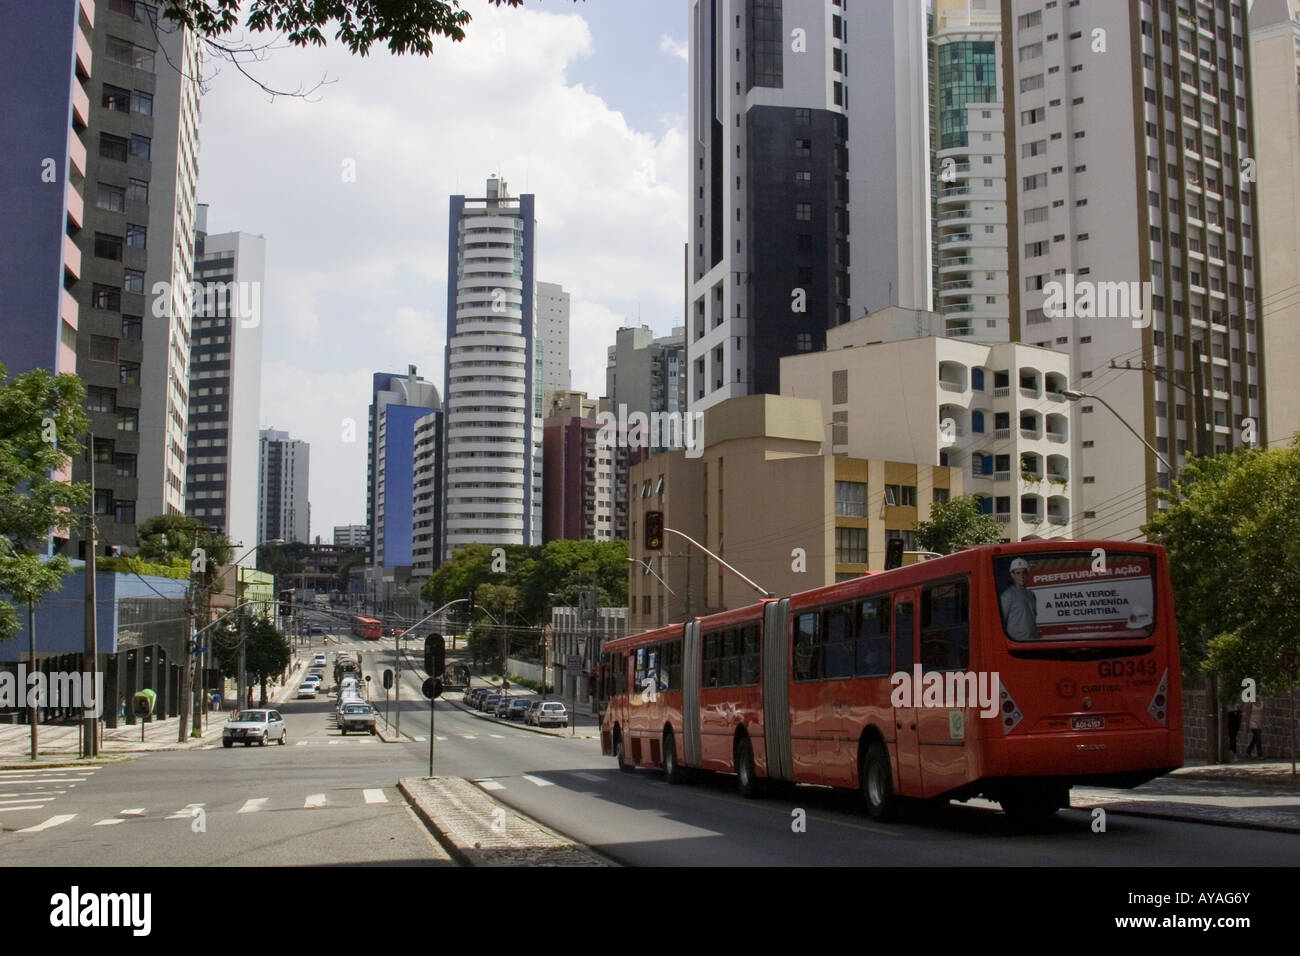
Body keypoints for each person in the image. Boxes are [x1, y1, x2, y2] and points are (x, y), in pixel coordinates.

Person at [1000, 558, 1038, 640]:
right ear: (1012, 575)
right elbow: (1001, 622)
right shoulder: (1007, 596)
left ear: (1027, 574)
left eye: (1024, 572)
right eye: (1018, 573)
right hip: (1017, 643)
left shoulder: (1031, 594)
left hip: (1033, 641)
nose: (1021, 576)